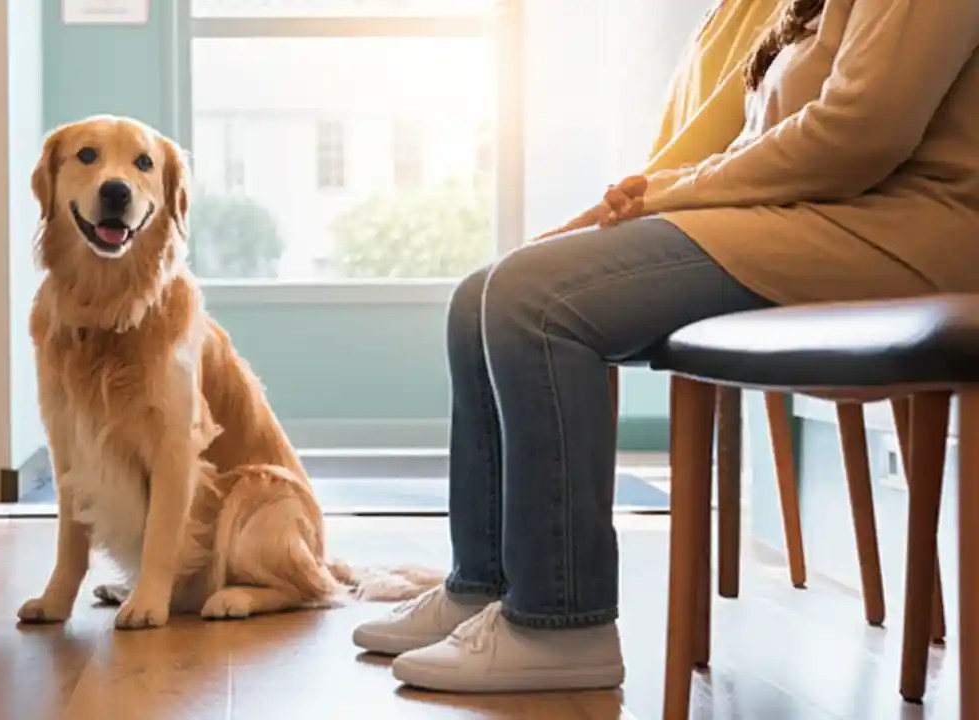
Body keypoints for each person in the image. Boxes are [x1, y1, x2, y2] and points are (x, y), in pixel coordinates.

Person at [353, 0, 979, 694]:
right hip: (829, 219)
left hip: (904, 233)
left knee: (533, 301)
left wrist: (670, 194)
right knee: (481, 293)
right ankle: (483, 584)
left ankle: (560, 624)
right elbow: (784, 141)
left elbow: (856, 135)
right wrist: (666, 193)